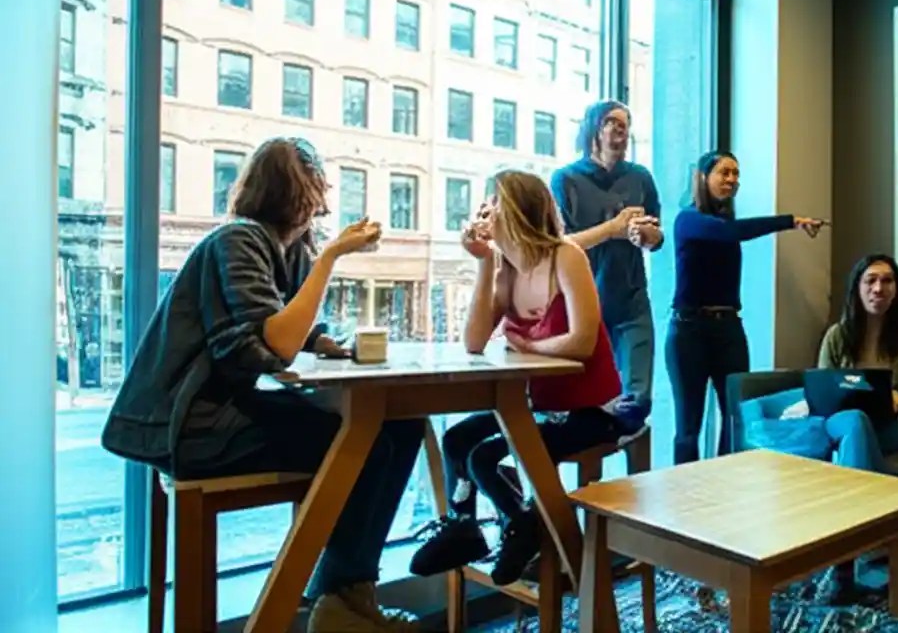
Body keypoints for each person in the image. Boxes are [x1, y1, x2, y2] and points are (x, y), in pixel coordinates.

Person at [99, 138, 423, 633]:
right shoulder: (238, 240)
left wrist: (319, 340)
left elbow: (277, 326)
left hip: (222, 409)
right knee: (368, 444)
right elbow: (272, 342)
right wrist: (331, 257)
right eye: (317, 187)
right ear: (297, 190)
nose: (322, 199)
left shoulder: (285, 251)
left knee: (403, 425)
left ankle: (352, 596)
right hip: (190, 424)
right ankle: (335, 602)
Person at [410, 170, 625, 586]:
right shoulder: (507, 269)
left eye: (494, 202)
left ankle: (523, 525)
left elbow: (581, 342)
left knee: (482, 457)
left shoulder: (565, 257)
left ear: (518, 210)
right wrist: (484, 263)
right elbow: (475, 341)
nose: (484, 211)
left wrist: (526, 344)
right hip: (538, 406)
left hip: (591, 411)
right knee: (456, 440)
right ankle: (468, 528)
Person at [667, 150, 824, 465]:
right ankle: (684, 490)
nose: (731, 179)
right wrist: (790, 221)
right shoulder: (688, 220)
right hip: (689, 331)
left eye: (736, 173)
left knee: (736, 415)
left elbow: (730, 230)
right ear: (703, 177)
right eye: (724, 172)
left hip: (728, 329)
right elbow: (730, 233)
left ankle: (725, 484)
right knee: (688, 426)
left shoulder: (725, 222)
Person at [550, 100, 661, 435]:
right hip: (581, 305)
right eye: (612, 122)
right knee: (580, 405)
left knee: (637, 401)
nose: (620, 130)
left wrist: (645, 235)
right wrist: (612, 229)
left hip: (631, 300)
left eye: (626, 124)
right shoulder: (565, 179)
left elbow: (657, 237)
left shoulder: (640, 177)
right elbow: (558, 245)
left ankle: (616, 438)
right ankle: (590, 454)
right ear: (594, 128)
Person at [782, 254, 898, 472]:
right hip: (845, 419)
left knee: (855, 434)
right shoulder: (837, 335)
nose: (878, 288)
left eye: (887, 281)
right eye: (870, 280)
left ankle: (851, 485)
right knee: (855, 422)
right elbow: (824, 391)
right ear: (857, 288)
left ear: (897, 290)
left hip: (896, 423)